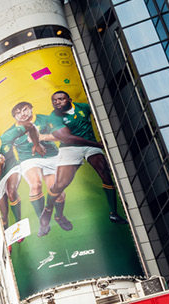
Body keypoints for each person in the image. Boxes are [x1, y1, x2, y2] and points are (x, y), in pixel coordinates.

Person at [42, 90, 130, 225]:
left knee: (105, 172)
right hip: (70, 148)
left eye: (60, 99)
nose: (57, 102)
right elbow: (68, 138)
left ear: (70, 100)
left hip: (90, 145)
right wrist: (97, 144)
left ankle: (114, 214)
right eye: (54, 100)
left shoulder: (83, 107)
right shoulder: (53, 117)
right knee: (60, 185)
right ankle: (49, 209)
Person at [2, 101, 69, 236]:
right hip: (29, 159)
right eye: (18, 112)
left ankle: (59, 216)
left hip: (50, 156)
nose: (22, 114)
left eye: (25, 109)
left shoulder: (44, 119)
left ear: (31, 108)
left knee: (57, 192)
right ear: (14, 117)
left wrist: (42, 137)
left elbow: (61, 135)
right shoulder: (11, 132)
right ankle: (43, 222)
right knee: (35, 184)